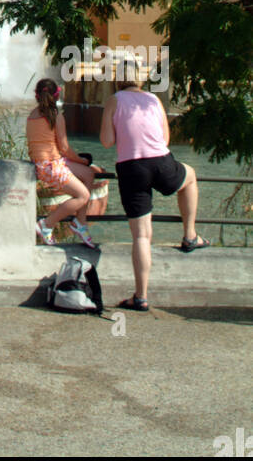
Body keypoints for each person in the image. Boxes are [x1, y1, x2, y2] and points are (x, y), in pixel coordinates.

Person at [100, 74, 209, 311]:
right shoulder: (153, 100)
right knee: (189, 178)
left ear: (118, 80)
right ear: (140, 80)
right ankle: (190, 235)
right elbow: (165, 139)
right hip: (160, 162)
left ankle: (141, 297)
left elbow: (107, 141)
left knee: (141, 236)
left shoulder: (114, 100)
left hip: (131, 168)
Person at [27, 79, 98, 248]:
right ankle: (46, 224)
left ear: (37, 96)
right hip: (52, 166)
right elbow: (65, 148)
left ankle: (80, 224)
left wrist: (80, 164)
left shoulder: (31, 116)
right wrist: (82, 160)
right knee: (83, 196)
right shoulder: (56, 117)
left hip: (43, 164)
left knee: (88, 174)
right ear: (57, 95)